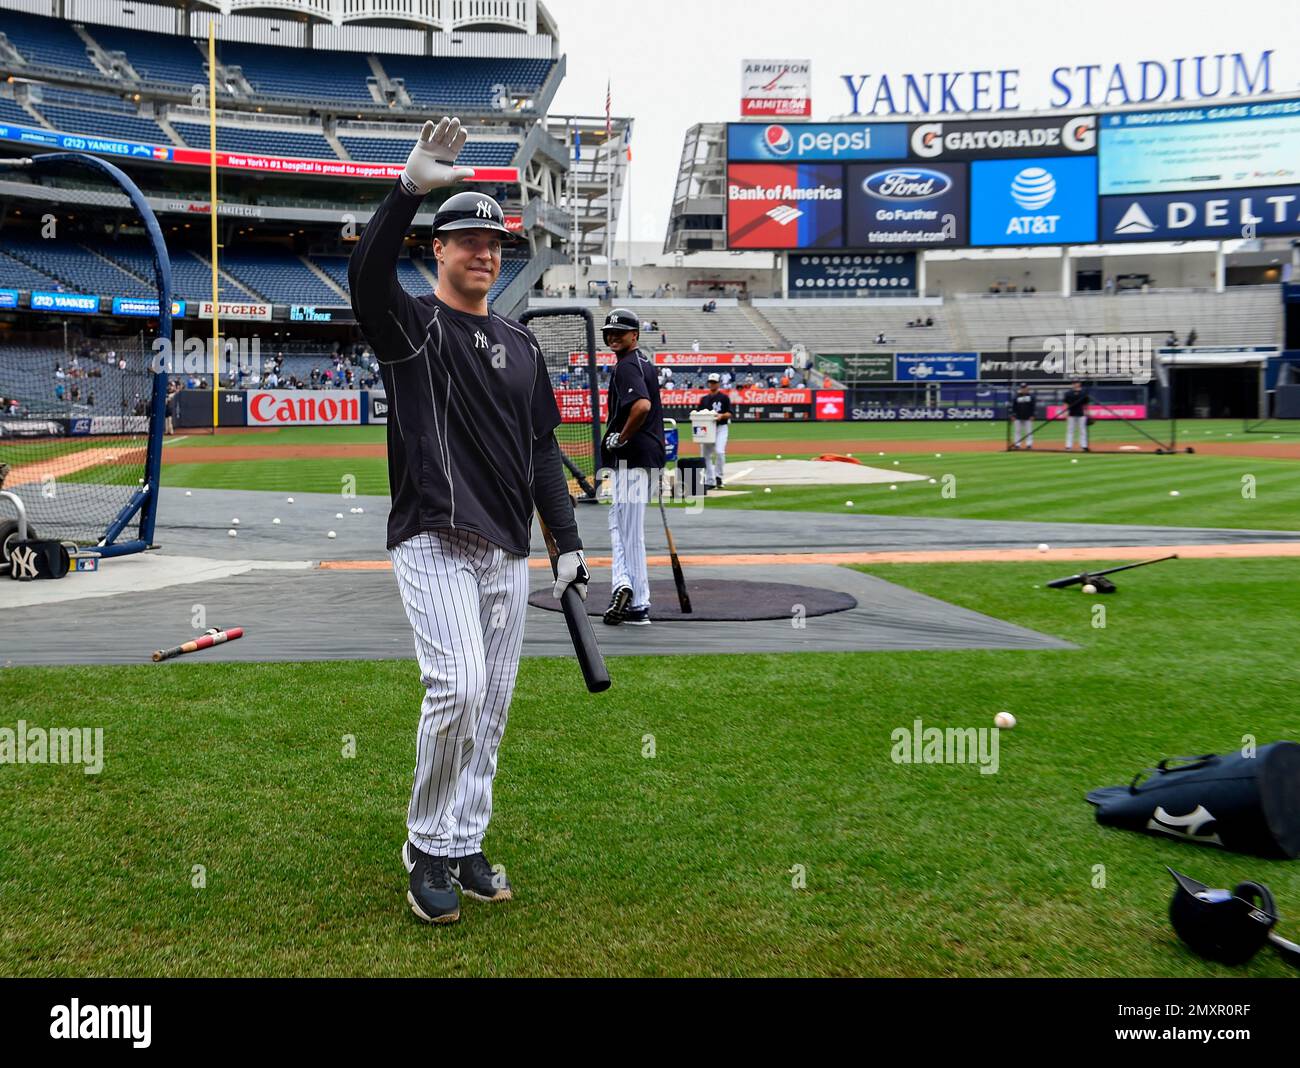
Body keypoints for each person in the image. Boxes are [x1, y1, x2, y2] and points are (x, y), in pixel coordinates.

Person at [348, 116, 587, 926]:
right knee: (458, 685)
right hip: (433, 538)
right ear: (438, 251)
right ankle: (424, 844)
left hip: (508, 551)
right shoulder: (412, 327)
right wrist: (412, 187)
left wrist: (569, 548)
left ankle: (464, 837)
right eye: (466, 239)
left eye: (494, 241)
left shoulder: (521, 345)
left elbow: (544, 452)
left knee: (493, 706)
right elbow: (363, 274)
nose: (484, 251)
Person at [599, 307, 664, 628]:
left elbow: (641, 406)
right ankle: (623, 584)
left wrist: (621, 439)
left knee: (629, 533)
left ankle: (638, 602)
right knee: (620, 524)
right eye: (609, 332)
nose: (613, 335)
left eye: (620, 332)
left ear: (634, 335)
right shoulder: (644, 363)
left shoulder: (626, 366)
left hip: (634, 458)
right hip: (646, 458)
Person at [698, 372, 732, 489]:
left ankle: (718, 476)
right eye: (710, 382)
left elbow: (729, 413)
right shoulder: (704, 399)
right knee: (705, 455)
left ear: (718, 383)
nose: (712, 384)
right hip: (707, 429)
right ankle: (710, 480)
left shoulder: (724, 398)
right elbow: (699, 414)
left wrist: (721, 416)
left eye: (714, 382)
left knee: (720, 451)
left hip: (720, 427)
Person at [1062, 379, 1090, 452]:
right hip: (1071, 413)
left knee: (1082, 430)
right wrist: (1065, 412)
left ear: (1079, 384)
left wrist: (1087, 412)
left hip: (1081, 413)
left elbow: (1086, 404)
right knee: (1070, 430)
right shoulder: (1068, 393)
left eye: (1077, 382)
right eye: (1074, 383)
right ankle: (1068, 446)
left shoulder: (1083, 393)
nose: (1075, 384)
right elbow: (1065, 403)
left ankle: (1084, 446)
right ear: (1072, 384)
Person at [1010, 384, 1035, 449]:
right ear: (1020, 389)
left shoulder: (1031, 397)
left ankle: (1029, 444)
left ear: (1027, 388)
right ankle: (1017, 444)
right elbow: (1013, 407)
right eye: (1022, 388)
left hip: (1028, 416)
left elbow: (1033, 407)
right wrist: (1013, 415)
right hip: (1018, 416)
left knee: (1028, 431)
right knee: (1017, 431)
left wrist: (1032, 415)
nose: (1023, 389)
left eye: (1025, 388)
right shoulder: (1016, 396)